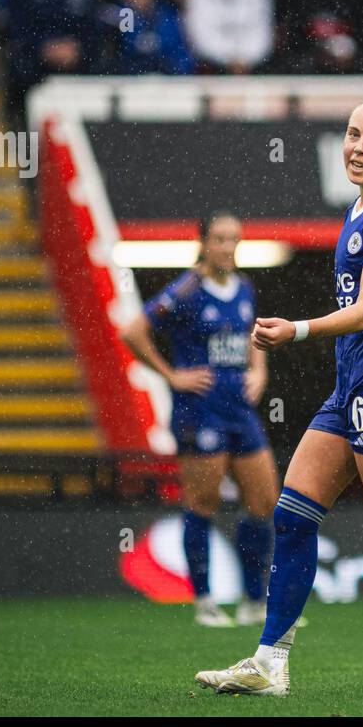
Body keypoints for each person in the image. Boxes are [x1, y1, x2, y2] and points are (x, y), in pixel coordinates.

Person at [195, 98, 363, 697]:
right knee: (292, 516)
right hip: (352, 387)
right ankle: (270, 662)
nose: (358, 148)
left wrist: (297, 330)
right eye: (352, 135)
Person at [121, 213, 281, 627]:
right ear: (204, 243)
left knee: (264, 500)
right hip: (200, 412)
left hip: (239, 411)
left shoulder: (244, 287)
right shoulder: (186, 290)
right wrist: (171, 374)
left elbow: (253, 333)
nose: (228, 247)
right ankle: (205, 600)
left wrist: (258, 370)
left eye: (234, 240)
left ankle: (253, 601)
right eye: (220, 240)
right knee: (203, 502)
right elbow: (133, 330)